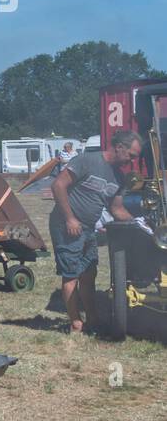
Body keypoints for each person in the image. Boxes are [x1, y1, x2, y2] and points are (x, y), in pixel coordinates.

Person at [49, 129, 142, 334]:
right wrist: (70, 218)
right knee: (71, 274)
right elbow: (58, 185)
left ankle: (92, 319)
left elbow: (116, 208)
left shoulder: (119, 177)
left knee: (89, 274)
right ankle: (75, 323)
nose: (131, 162)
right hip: (67, 225)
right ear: (119, 147)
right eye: (131, 156)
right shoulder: (86, 160)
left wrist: (139, 223)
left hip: (88, 228)